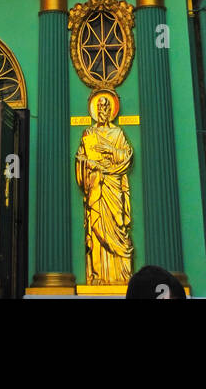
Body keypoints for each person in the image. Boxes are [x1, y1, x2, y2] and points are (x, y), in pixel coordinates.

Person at [75, 90, 133, 285]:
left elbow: (126, 156)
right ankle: (98, 275)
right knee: (97, 227)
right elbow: (80, 158)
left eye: (106, 107)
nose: (103, 110)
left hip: (113, 187)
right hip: (96, 186)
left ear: (111, 110)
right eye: (100, 107)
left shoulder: (118, 134)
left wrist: (109, 150)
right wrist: (90, 164)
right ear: (95, 109)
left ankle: (122, 275)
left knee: (117, 226)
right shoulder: (89, 133)